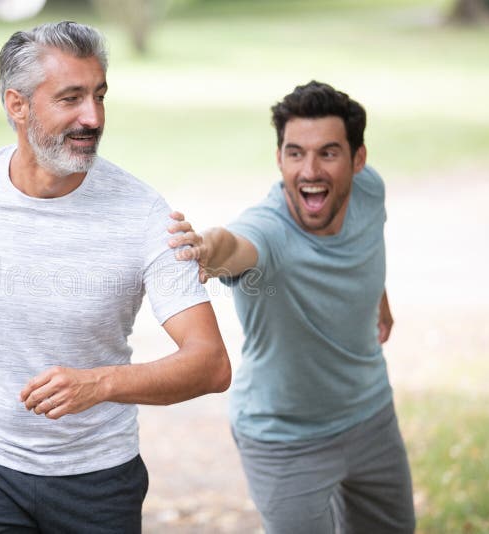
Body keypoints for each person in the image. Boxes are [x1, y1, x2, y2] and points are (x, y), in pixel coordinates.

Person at [0, 21, 230, 533]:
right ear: (18, 105)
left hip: (96, 477)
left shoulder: (143, 214)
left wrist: (100, 384)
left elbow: (210, 364)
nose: (93, 117)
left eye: (100, 95)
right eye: (71, 98)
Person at [169, 81, 415, 534]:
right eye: (295, 153)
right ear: (279, 158)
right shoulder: (269, 231)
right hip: (283, 437)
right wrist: (204, 248)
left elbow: (369, 237)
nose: (310, 170)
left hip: (370, 415)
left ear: (358, 160)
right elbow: (232, 244)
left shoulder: (369, 190)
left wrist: (378, 299)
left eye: (328, 153)